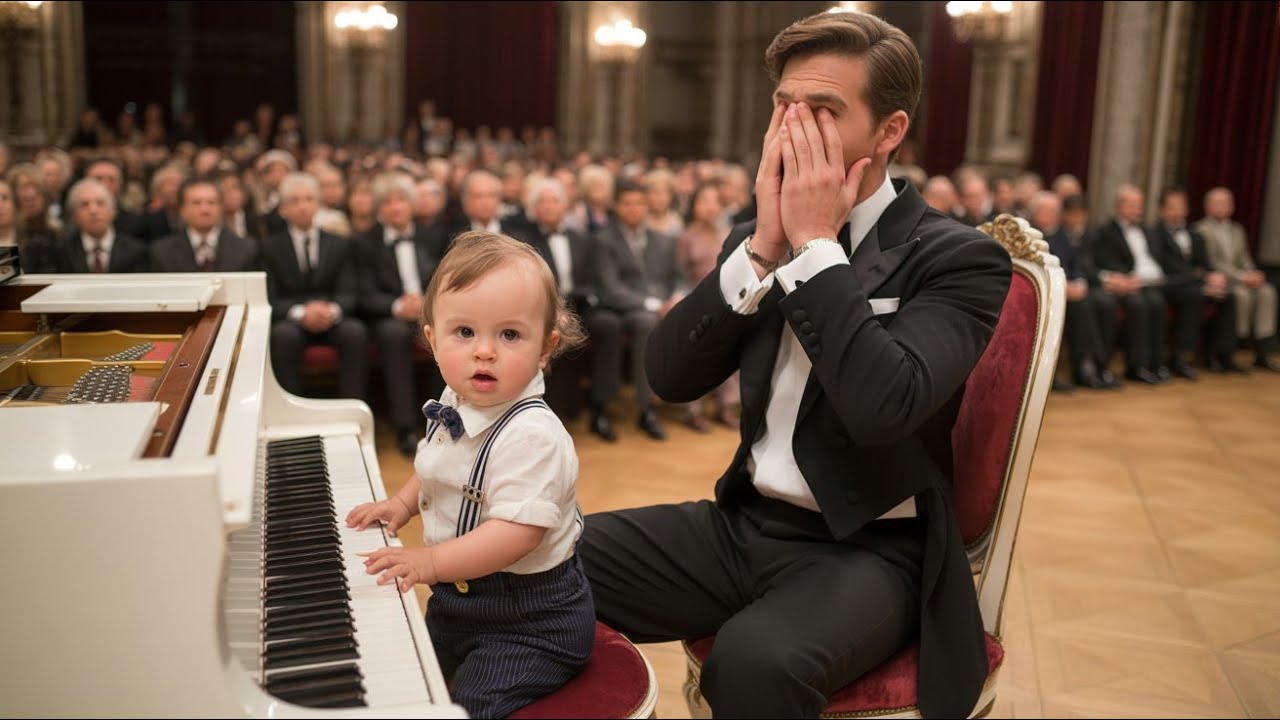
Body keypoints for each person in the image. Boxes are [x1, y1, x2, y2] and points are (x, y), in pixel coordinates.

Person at [581, 11, 1010, 719]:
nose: (793, 131)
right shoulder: (757, 234)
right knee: (531, 557)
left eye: (823, 113)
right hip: (741, 525)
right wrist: (760, 253)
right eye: (784, 108)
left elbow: (884, 408)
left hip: (872, 549)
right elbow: (668, 376)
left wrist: (815, 248)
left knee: (756, 662)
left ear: (889, 132)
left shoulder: (956, 256)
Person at [346, 231, 593, 719]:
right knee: (414, 681)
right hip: (457, 605)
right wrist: (400, 505)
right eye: (465, 333)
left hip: (530, 622)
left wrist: (429, 564)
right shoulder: (457, 399)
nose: (484, 352)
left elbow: (517, 535)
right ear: (433, 340)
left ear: (546, 347)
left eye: (510, 335)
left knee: (473, 704)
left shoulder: (532, 435)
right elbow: (438, 469)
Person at [262, 173, 368, 400]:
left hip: (331, 317)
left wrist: (331, 310)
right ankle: (292, 411)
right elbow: (269, 298)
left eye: (309, 199)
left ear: (318, 205)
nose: (303, 206)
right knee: (282, 335)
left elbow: (348, 292)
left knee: (354, 332)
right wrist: (302, 313)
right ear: (282, 209)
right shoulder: (269, 247)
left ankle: (351, 407)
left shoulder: (339, 243)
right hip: (291, 319)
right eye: (295, 201)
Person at [1194, 187, 1279, 371]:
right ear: (1207, 206)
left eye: (1226, 203)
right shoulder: (1201, 229)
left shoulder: (1237, 229)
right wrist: (1241, 277)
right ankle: (1230, 349)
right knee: (1241, 295)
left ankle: (1263, 352)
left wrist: (1252, 273)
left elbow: (1244, 258)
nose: (1222, 207)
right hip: (1221, 280)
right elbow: (1211, 262)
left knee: (1267, 292)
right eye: (1217, 203)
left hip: (1241, 277)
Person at [47, 178, 148, 273]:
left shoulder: (136, 251)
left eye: (100, 203)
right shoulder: (61, 252)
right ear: (74, 215)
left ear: (113, 211)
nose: (93, 211)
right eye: (84, 204)